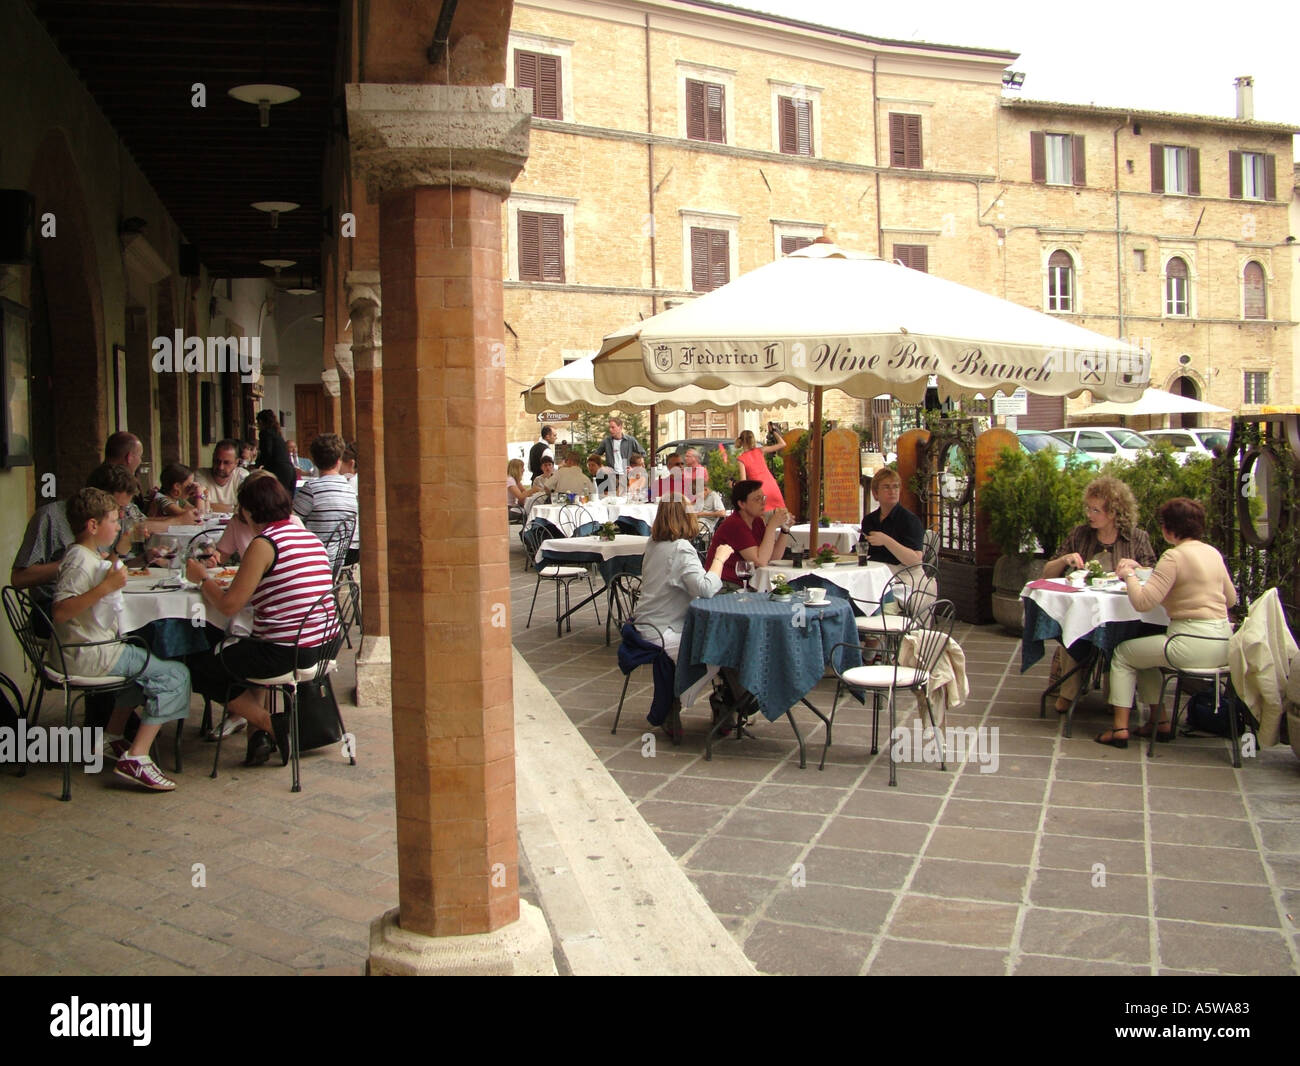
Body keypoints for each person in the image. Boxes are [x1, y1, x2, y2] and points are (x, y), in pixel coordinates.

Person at [187, 474, 336, 766]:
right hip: (324, 645)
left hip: (287, 651)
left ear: (250, 510)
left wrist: (202, 579)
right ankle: (258, 736)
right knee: (245, 646)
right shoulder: (308, 537)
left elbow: (229, 606)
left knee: (201, 666)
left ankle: (270, 723)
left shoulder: (265, 544)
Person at [50, 488, 192, 791]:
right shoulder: (78, 561)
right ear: (92, 525)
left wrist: (119, 554)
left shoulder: (84, 553)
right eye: (114, 521)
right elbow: (60, 611)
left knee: (147, 658)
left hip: (86, 649)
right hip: (88, 654)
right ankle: (136, 757)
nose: (117, 527)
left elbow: (100, 574)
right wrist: (106, 588)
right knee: (176, 675)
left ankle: (111, 737)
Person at [1097, 498, 1237, 748]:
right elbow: (1232, 598)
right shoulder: (1212, 553)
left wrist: (1128, 575)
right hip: (1223, 643)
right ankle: (1159, 722)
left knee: (1122, 654)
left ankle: (1119, 729)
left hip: (1188, 644)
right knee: (1143, 655)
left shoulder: (1173, 556)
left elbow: (1142, 602)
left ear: (1168, 528)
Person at [1041, 476, 1158, 712]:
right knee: (1072, 631)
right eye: (1088, 508)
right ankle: (1068, 692)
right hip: (1087, 609)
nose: (1089, 514)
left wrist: (1135, 567)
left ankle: (1116, 697)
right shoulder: (1080, 535)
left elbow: (1153, 575)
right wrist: (1065, 559)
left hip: (1123, 613)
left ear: (1114, 512)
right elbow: (1047, 571)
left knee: (1125, 637)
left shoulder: (1137, 538)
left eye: (1096, 510)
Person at [633, 501, 734, 739]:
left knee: (722, 646)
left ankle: (720, 701)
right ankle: (724, 701)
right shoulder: (680, 549)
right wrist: (720, 558)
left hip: (645, 624)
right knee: (724, 649)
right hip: (663, 630)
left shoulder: (653, 544)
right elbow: (706, 588)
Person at [705, 480, 791, 587]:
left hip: (746, 583)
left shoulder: (757, 521)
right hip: (725, 585)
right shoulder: (735, 524)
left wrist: (785, 530)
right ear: (742, 504)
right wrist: (771, 526)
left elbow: (773, 557)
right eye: (757, 499)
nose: (763, 502)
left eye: (763, 498)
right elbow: (760, 561)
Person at [292, 434, 358, 562]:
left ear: (314, 459)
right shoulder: (350, 489)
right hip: (342, 557)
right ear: (339, 458)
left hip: (314, 558)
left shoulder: (311, 489)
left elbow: (293, 520)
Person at [860, 467, 924, 566]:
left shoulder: (910, 520)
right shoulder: (869, 520)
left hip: (902, 576)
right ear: (875, 493)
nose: (892, 491)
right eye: (886, 487)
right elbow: (862, 551)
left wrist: (885, 540)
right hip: (873, 574)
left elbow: (915, 561)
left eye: (895, 487)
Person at [735, 429, 786, 511]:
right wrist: (774, 431)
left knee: (763, 518)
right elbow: (782, 444)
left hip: (759, 489)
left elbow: (743, 482)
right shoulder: (760, 450)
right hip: (772, 486)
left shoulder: (741, 459)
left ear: (741, 441)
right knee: (780, 514)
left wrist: (734, 484)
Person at [194, 439, 248, 513]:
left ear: (236, 462)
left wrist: (210, 505)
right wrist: (235, 508)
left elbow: (248, 508)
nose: (220, 467)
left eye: (226, 463)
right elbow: (200, 506)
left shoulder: (242, 476)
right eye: (217, 461)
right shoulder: (201, 475)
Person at [254, 409, 297, 498]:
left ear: (261, 421)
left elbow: (266, 452)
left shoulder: (265, 433)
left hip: (278, 470)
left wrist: (257, 465)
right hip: (289, 469)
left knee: (275, 498)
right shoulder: (277, 433)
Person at [600, 417, 646, 490]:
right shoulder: (606, 442)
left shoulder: (630, 440)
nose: (610, 430)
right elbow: (595, 456)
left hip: (627, 476)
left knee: (628, 498)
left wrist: (634, 469)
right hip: (613, 477)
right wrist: (603, 467)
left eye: (613, 427)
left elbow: (643, 454)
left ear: (620, 427)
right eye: (609, 427)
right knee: (614, 499)